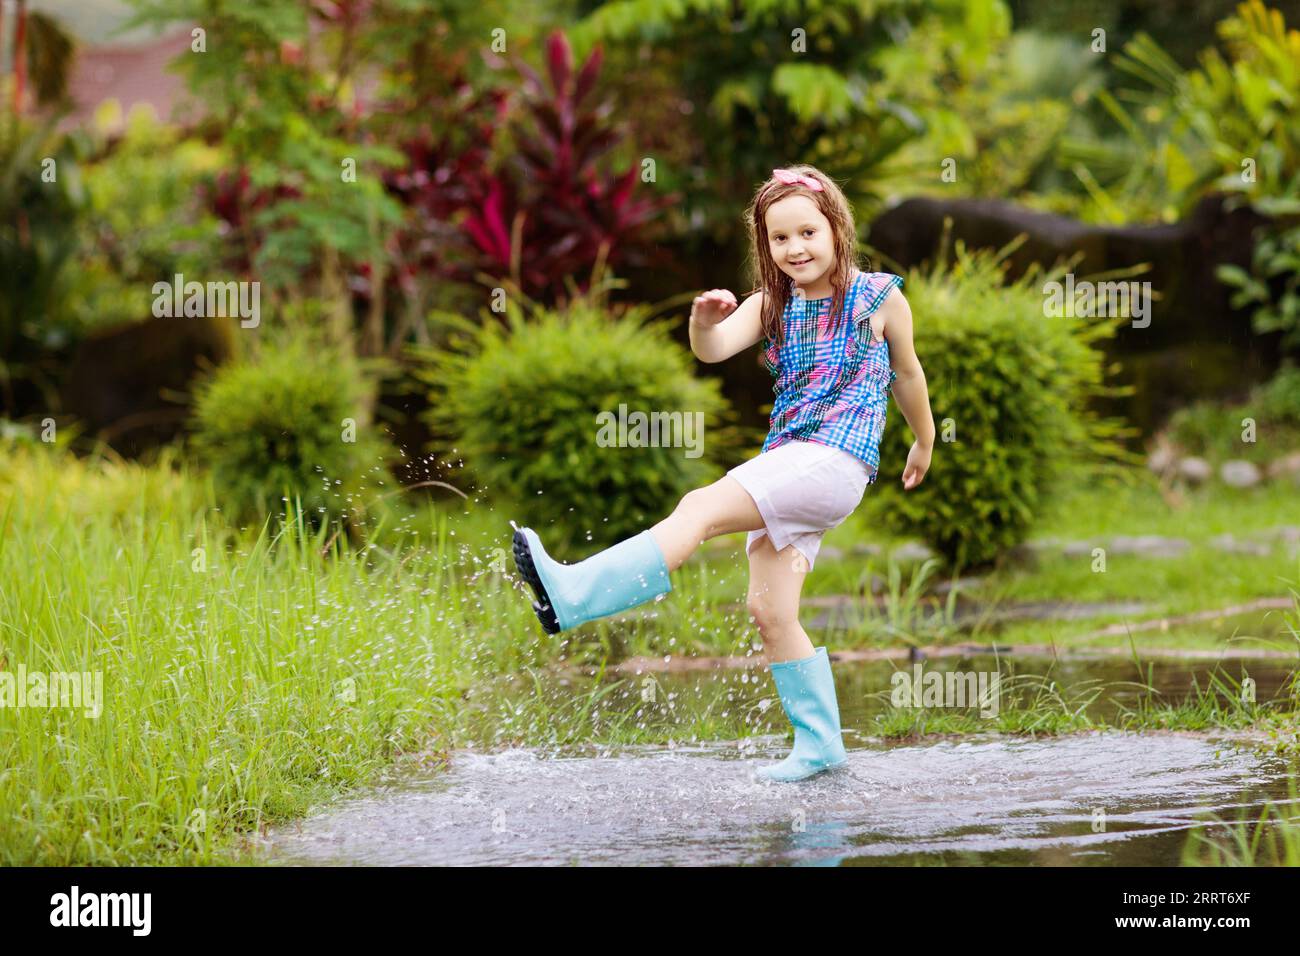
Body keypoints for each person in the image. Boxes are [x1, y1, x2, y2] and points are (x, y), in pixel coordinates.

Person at [512, 163, 935, 781]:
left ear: (837, 229)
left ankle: (573, 594)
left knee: (699, 509)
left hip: (833, 461)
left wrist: (922, 440)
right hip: (793, 463)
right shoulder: (772, 305)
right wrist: (703, 320)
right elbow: (710, 349)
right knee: (771, 612)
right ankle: (820, 746)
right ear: (765, 247)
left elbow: (909, 374)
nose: (795, 248)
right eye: (779, 239)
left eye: (808, 232)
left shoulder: (879, 296)